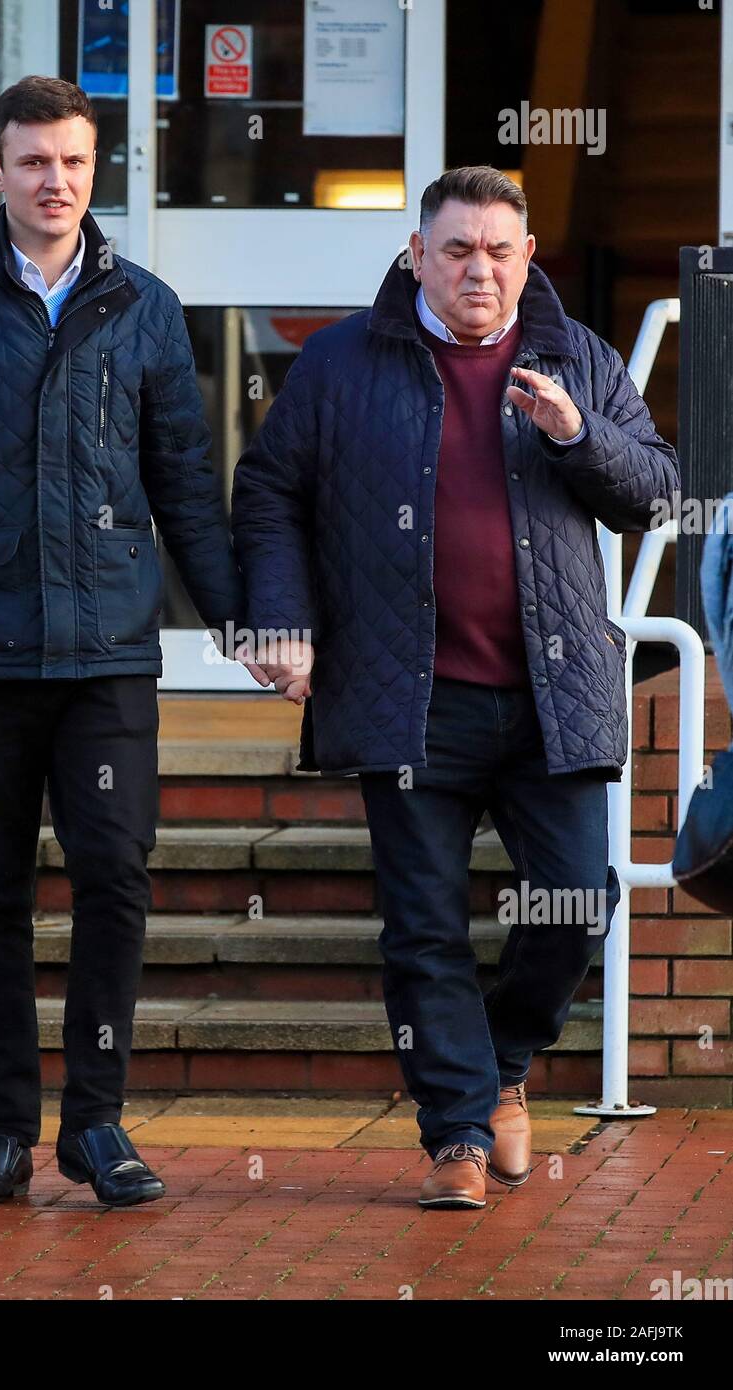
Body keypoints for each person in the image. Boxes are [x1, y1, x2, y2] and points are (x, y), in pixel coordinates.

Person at [0, 76, 265, 1208]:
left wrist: (242, 619)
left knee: (115, 874)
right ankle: (5, 1129)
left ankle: (98, 1123)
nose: (54, 181)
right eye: (32, 162)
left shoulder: (147, 309)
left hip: (108, 655)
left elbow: (184, 486)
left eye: (72, 161)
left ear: (95, 166)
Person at [231, 165, 680, 1210]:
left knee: (575, 904)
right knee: (422, 924)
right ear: (415, 257)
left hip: (551, 695)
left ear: (527, 259)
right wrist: (280, 616)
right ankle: (456, 1139)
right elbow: (268, 494)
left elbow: (653, 490)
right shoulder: (345, 361)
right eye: (455, 249)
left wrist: (576, 433)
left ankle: (502, 1062)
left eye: (497, 250)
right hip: (406, 696)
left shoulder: (578, 358)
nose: (477, 268)